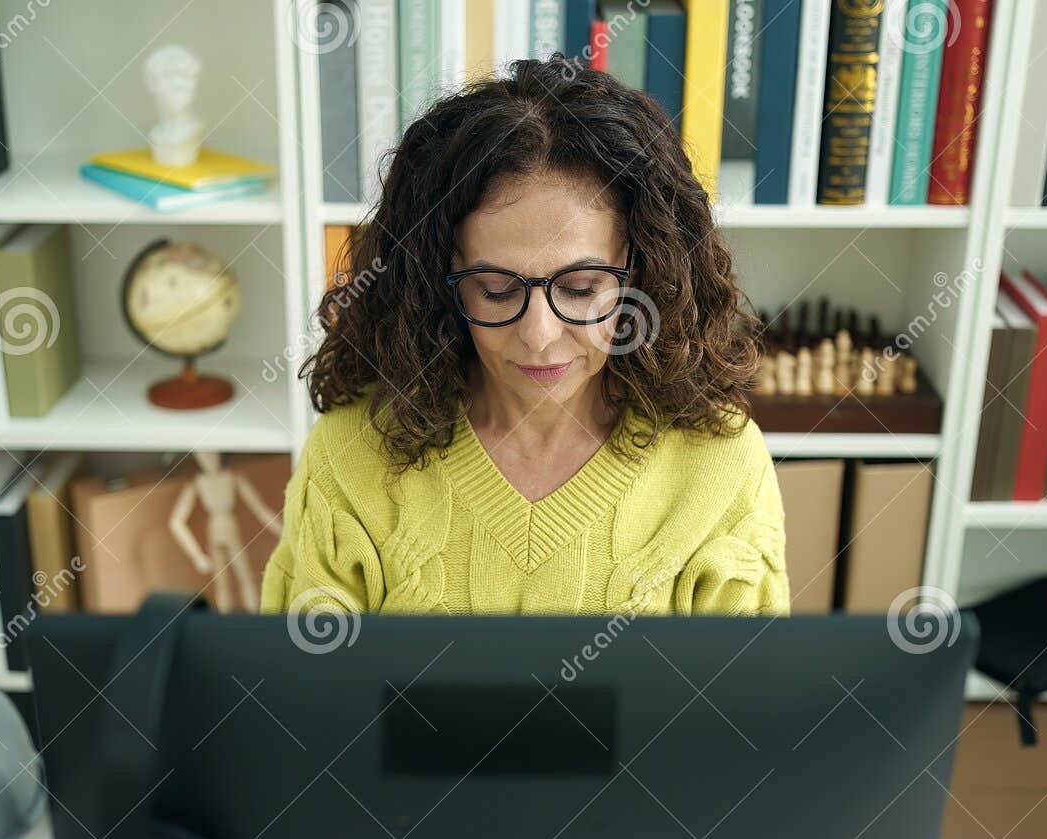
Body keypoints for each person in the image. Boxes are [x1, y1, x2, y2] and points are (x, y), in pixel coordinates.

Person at [262, 56, 788, 616]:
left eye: (582, 288)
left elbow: (739, 701)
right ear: (437, 284)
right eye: (495, 290)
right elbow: (303, 694)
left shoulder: (722, 468)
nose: (538, 335)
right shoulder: (350, 453)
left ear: (641, 269)